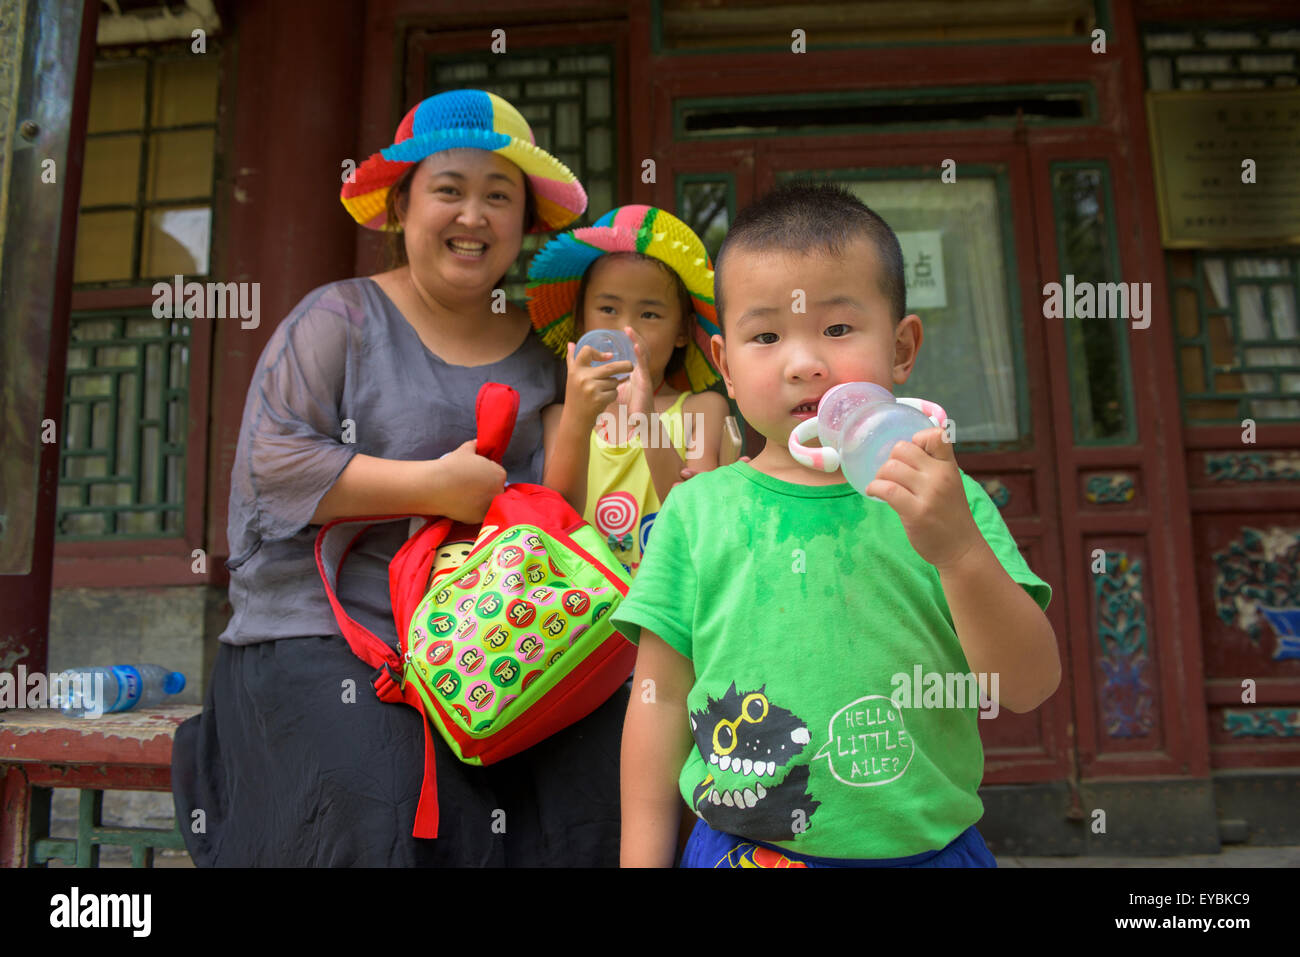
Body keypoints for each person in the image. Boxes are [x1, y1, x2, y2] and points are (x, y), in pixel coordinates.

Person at [171, 89, 629, 866]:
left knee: (604, 763)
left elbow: (561, 515)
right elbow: (271, 468)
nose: (473, 216)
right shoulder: (337, 321)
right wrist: (434, 486)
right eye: (449, 190)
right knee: (382, 798)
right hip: (324, 633)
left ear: (526, 222)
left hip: (492, 641)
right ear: (400, 206)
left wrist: (592, 415)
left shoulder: (545, 350)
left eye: (499, 196)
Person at [614, 182, 1060, 868]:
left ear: (903, 346)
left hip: (928, 851)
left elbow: (1025, 686)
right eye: (765, 335)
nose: (804, 362)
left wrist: (959, 552)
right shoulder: (696, 512)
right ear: (726, 366)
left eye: (838, 329)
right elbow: (660, 700)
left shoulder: (948, 501)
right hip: (745, 851)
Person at [528, 205, 730, 575]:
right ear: (581, 321)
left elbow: (694, 521)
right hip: (588, 616)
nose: (625, 331)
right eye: (607, 308)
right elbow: (557, 522)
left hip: (667, 613)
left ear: (683, 331)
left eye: (649, 315)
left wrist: (647, 420)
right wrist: (578, 416)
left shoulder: (702, 411)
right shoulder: (559, 415)